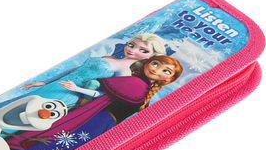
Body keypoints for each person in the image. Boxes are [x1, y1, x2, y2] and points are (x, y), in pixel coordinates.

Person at [6, 55, 183, 150]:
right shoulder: (141, 87)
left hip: (96, 118)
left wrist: (78, 89)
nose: (157, 70)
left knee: (61, 139)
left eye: (166, 71)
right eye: (156, 64)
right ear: (147, 63)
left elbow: (100, 93)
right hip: (102, 122)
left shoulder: (136, 84)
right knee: (67, 145)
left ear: (168, 79)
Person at [19, 34, 167, 107]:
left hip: (68, 94)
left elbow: (103, 95)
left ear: (151, 57)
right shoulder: (108, 57)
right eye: (131, 45)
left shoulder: (124, 73)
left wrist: (77, 89)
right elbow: (76, 69)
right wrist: (45, 82)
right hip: (55, 85)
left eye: (143, 50)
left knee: (31, 110)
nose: (132, 50)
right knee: (22, 103)